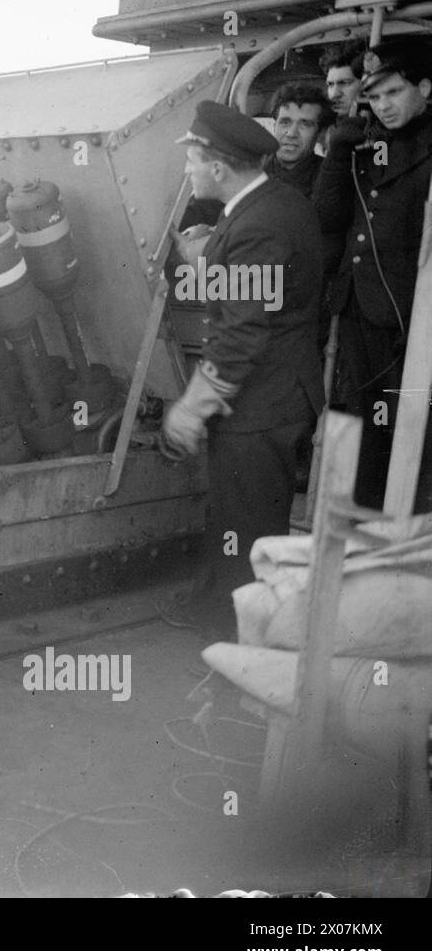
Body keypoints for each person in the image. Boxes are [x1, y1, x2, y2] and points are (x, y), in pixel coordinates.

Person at [163, 101, 324, 636]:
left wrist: (191, 407)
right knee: (235, 513)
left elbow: (241, 333)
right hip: (267, 398)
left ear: (217, 166)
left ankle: (244, 638)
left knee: (250, 524)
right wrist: (206, 263)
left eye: (191, 161)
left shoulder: (259, 224)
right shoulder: (268, 206)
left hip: (264, 403)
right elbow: (253, 293)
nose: (187, 170)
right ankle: (218, 611)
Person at [314, 37, 432, 512]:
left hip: (415, 313)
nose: (382, 106)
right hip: (364, 307)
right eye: (375, 96)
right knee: (368, 423)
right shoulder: (367, 143)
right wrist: (340, 155)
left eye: (394, 93)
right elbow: (326, 219)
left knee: (418, 427)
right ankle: (368, 526)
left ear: (425, 87)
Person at [263, 82, 332, 196]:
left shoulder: (330, 180)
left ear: (320, 133)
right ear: (274, 126)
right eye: (285, 122)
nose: (291, 133)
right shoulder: (250, 170)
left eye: (304, 125)